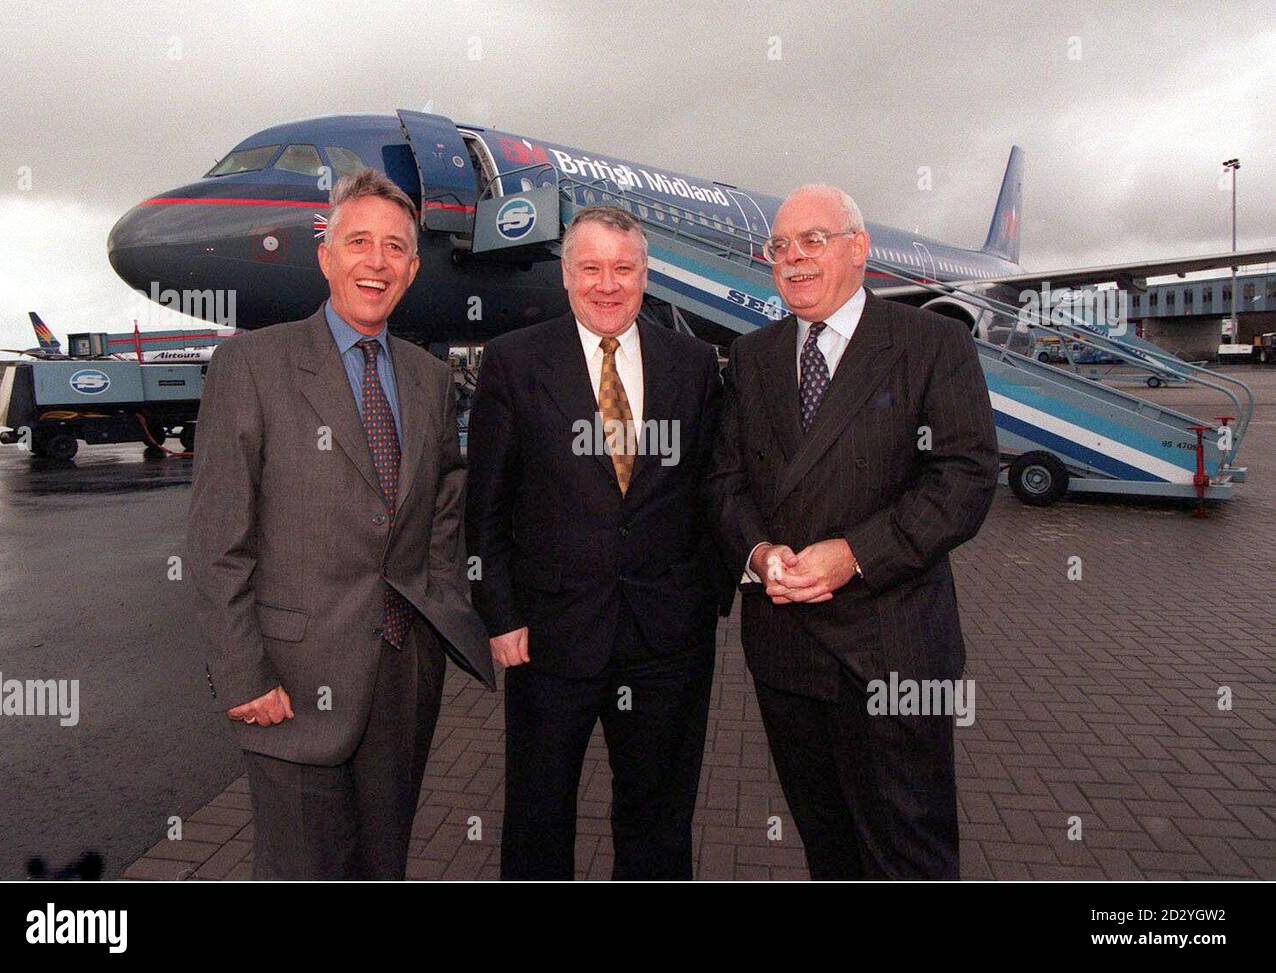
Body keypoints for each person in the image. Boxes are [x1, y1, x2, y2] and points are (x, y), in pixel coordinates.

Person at [188, 168, 493, 880]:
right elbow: (215, 543)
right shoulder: (252, 366)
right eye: (360, 241)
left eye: (395, 248)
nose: (377, 262)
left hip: (400, 679)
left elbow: (444, 507)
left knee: (383, 867)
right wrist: (241, 674)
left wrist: (437, 610)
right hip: (289, 683)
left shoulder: (428, 378)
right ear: (327, 253)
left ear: (413, 269)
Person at [707, 184, 998, 879]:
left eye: (813, 240)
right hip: (786, 655)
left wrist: (856, 556)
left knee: (907, 852)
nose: (793, 258)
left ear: (859, 249)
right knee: (828, 847)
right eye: (780, 246)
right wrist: (757, 550)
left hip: (892, 650)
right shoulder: (752, 357)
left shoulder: (931, 342)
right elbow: (722, 481)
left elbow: (965, 476)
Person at [465, 205, 730, 879]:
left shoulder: (695, 365)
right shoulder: (515, 362)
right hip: (549, 637)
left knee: (658, 817)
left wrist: (707, 600)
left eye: (623, 268)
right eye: (591, 267)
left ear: (646, 274)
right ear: (565, 275)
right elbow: (486, 505)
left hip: (667, 641)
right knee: (538, 815)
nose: (607, 284)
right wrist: (499, 613)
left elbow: (714, 489)